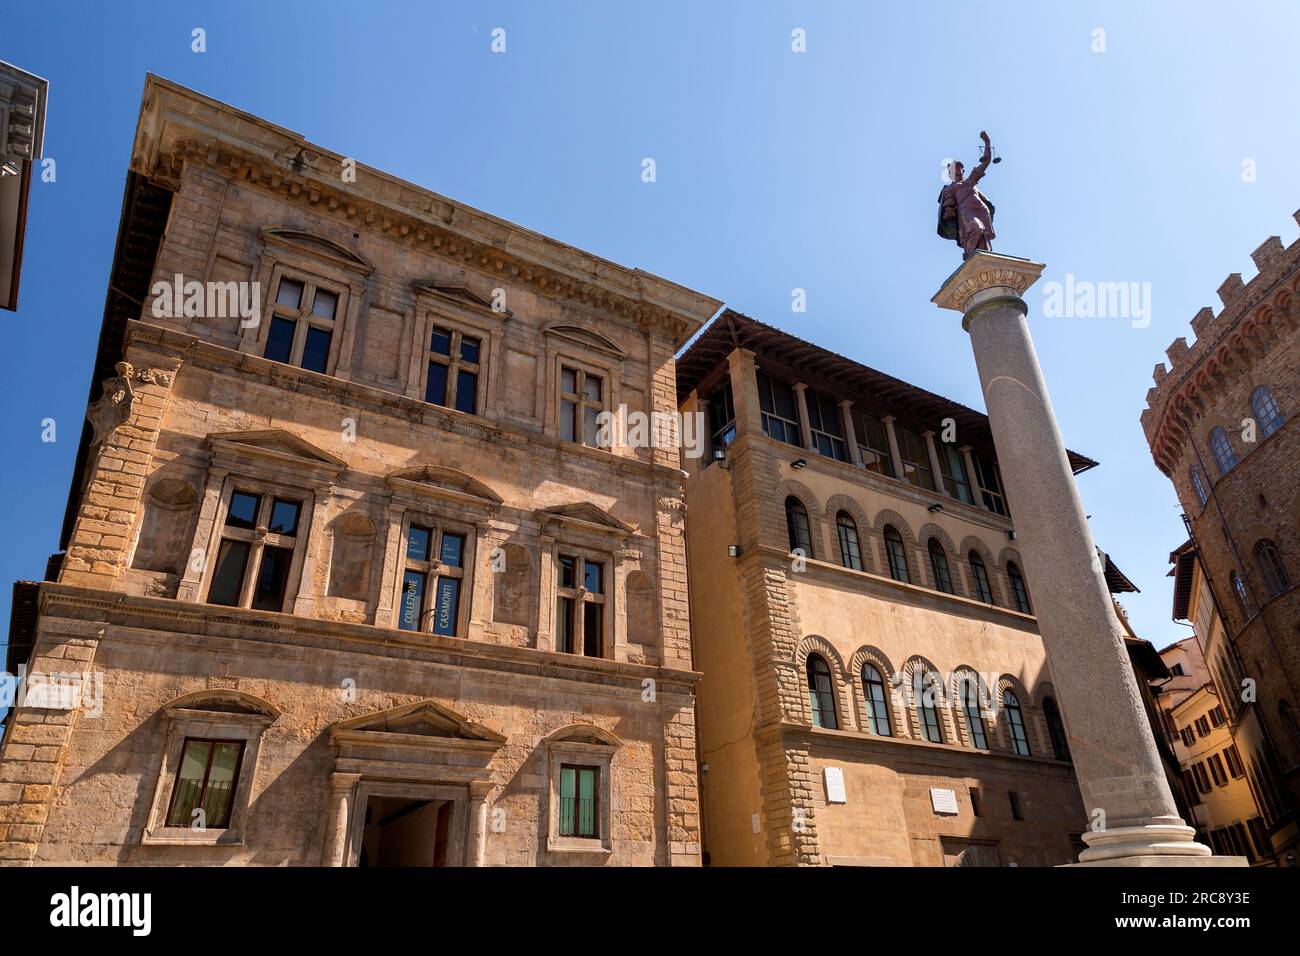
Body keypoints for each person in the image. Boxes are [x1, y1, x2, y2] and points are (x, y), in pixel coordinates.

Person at [938, 131, 996, 259]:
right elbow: (948, 206)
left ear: (962, 170)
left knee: (984, 240)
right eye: (952, 169)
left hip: (981, 209)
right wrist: (948, 211)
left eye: (958, 168)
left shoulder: (971, 180)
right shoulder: (950, 188)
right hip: (966, 211)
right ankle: (969, 256)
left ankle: (984, 260)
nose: (956, 170)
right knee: (976, 228)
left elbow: (985, 163)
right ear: (949, 174)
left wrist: (987, 142)